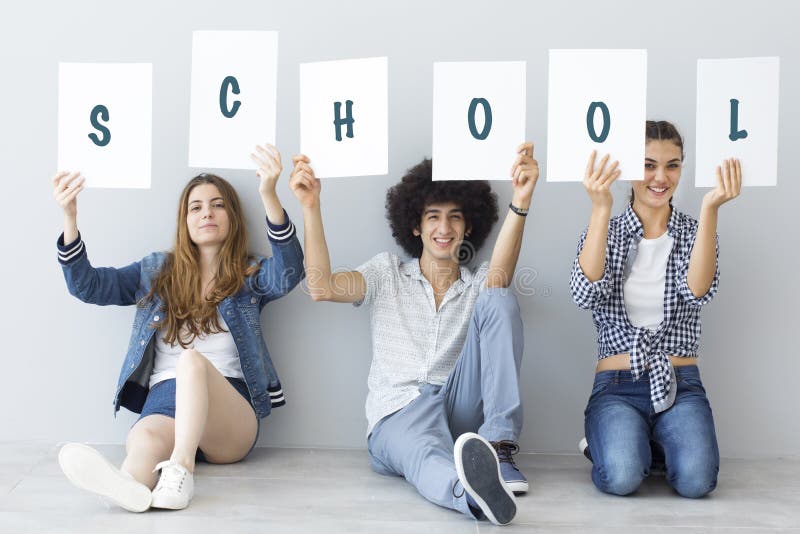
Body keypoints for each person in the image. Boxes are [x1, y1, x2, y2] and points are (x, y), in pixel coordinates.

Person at [288, 143, 539, 525]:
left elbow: (499, 282)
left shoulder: (476, 286)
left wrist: (521, 200)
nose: (444, 228)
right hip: (400, 413)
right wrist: (310, 205)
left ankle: (498, 447)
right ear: (416, 225)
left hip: (458, 408)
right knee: (424, 454)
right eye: (433, 216)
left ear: (469, 226)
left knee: (499, 298)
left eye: (455, 218)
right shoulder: (385, 272)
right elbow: (322, 288)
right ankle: (471, 495)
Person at [53, 144, 304, 512]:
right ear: (184, 221)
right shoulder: (155, 272)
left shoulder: (249, 274)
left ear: (232, 217)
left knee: (191, 361)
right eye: (196, 207)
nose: (207, 213)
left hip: (229, 413)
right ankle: (129, 485)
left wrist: (269, 193)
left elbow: (290, 272)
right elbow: (87, 286)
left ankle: (181, 469)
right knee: (143, 441)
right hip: (164, 401)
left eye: (218, 205)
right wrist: (70, 217)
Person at [571, 121, 741, 498]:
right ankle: (619, 447)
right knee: (621, 477)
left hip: (681, 383)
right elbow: (584, 294)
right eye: (648, 165)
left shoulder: (694, 231)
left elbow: (697, 293)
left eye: (672, 165)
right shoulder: (608, 230)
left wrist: (711, 209)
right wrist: (600, 208)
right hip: (617, 385)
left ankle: (649, 448)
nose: (660, 177)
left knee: (697, 482)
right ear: (630, 169)